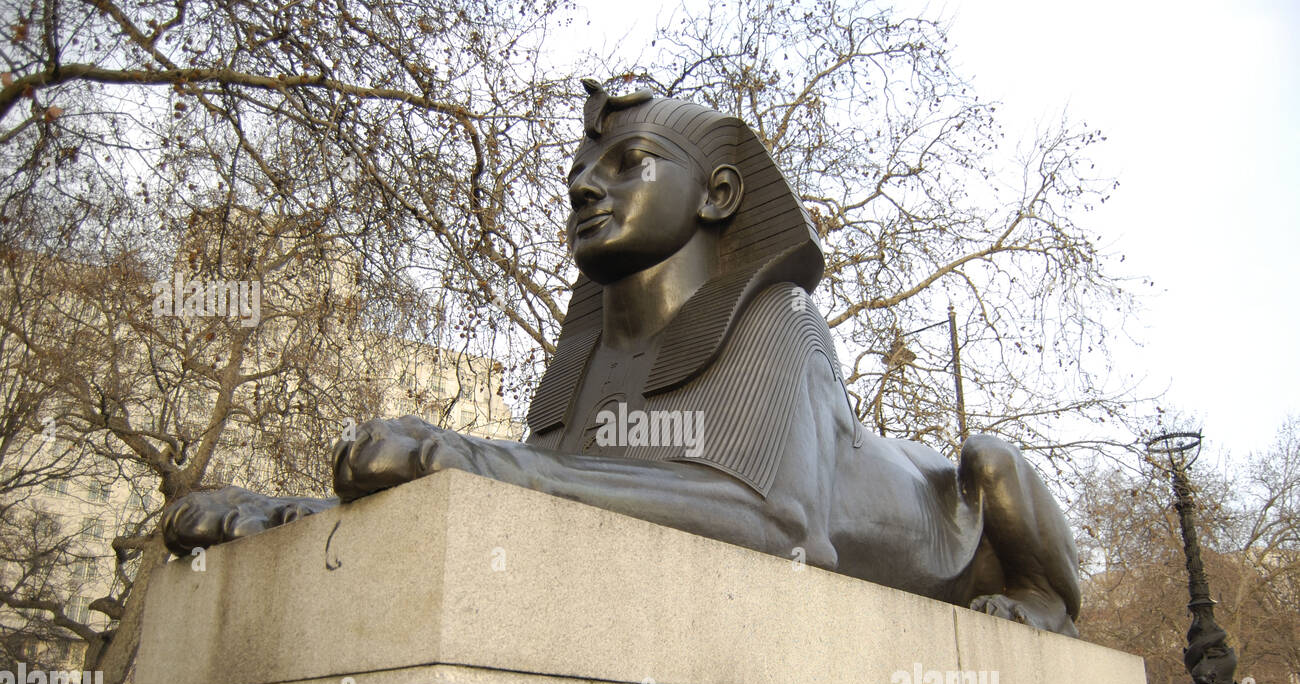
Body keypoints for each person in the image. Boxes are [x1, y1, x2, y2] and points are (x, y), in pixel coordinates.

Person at [162, 81, 1082, 636]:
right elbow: (560, 486)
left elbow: (778, 528)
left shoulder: (779, 320)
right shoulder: (598, 351)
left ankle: (1044, 596)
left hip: (956, 542)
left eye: (627, 163)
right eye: (581, 172)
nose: (581, 184)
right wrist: (292, 514)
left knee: (988, 460)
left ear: (719, 194)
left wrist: (476, 458)